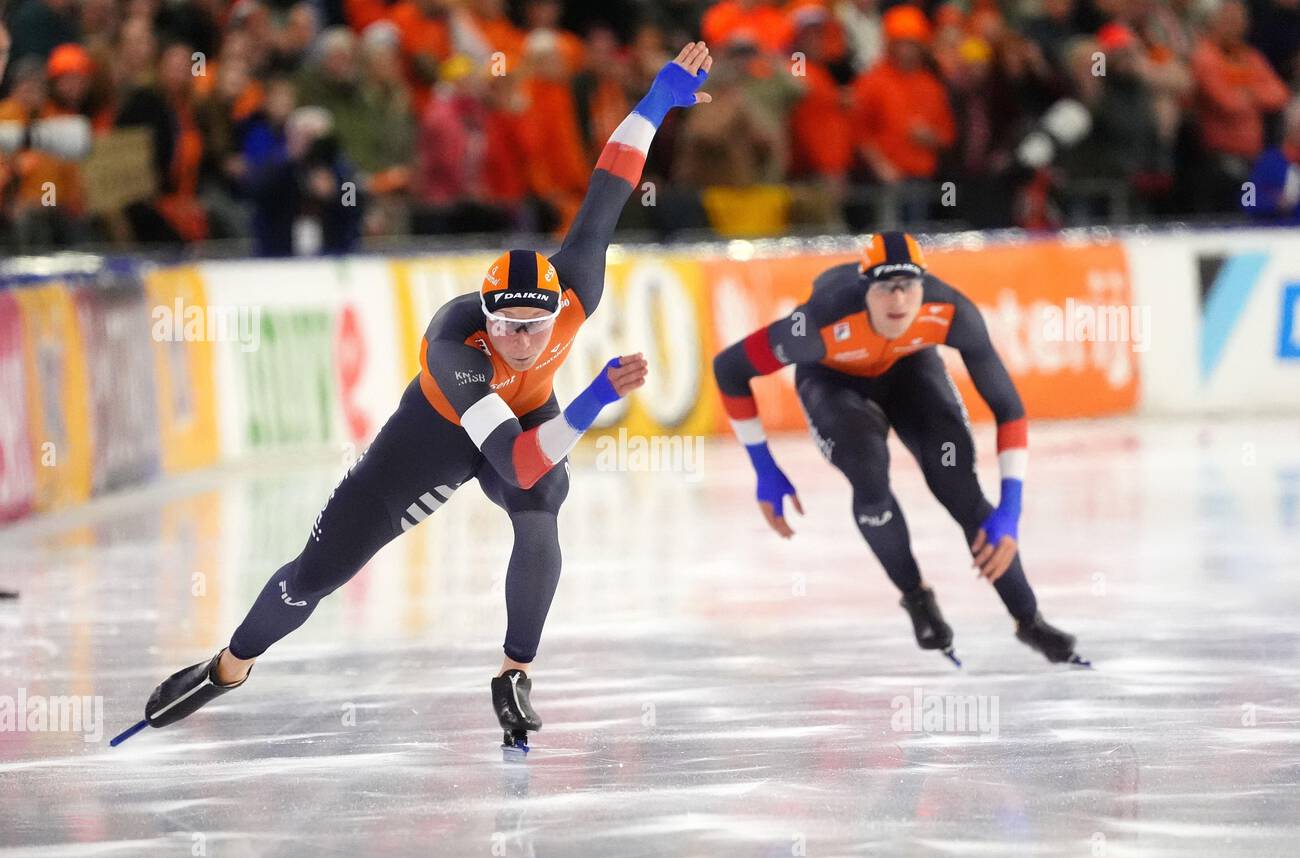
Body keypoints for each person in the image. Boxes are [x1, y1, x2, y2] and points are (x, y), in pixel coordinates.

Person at [135, 42, 714, 753]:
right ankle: (227, 666)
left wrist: (656, 99)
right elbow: (520, 460)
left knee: (542, 513)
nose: (523, 341)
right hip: (436, 437)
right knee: (316, 576)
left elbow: (610, 184)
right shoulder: (455, 346)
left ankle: (514, 673)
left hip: (525, 417)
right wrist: (593, 395)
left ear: (557, 308)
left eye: (535, 327)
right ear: (486, 315)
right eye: (507, 327)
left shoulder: (577, 286)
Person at [712, 231, 1085, 666]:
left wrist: (1012, 508)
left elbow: (1010, 409)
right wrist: (765, 470)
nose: (898, 301)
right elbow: (730, 369)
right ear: (863, 288)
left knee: (959, 485)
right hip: (834, 383)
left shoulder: (950, 311)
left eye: (908, 286)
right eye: (885, 287)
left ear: (923, 287)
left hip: (909, 369)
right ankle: (916, 597)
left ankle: (1029, 620)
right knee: (868, 469)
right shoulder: (814, 325)